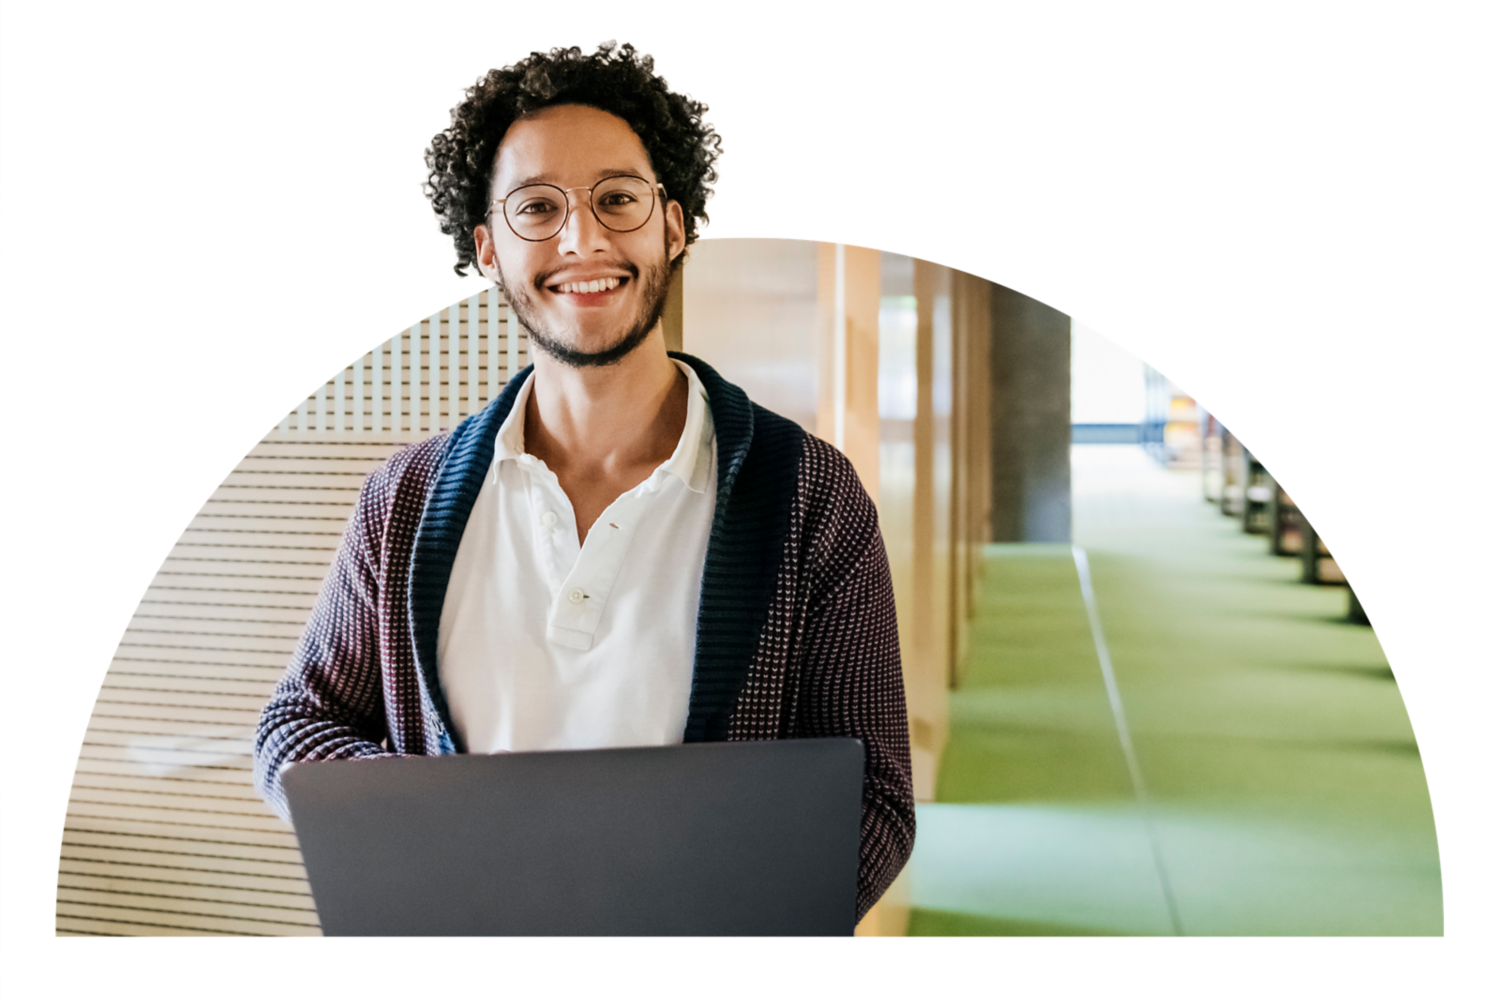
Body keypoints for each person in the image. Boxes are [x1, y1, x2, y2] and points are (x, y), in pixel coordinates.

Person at [252, 38, 913, 921]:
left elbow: (875, 799)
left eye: (617, 199)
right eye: (537, 207)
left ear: (673, 224)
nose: (584, 238)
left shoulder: (809, 497)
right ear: (486, 248)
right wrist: (439, 833)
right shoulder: (403, 501)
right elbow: (296, 723)